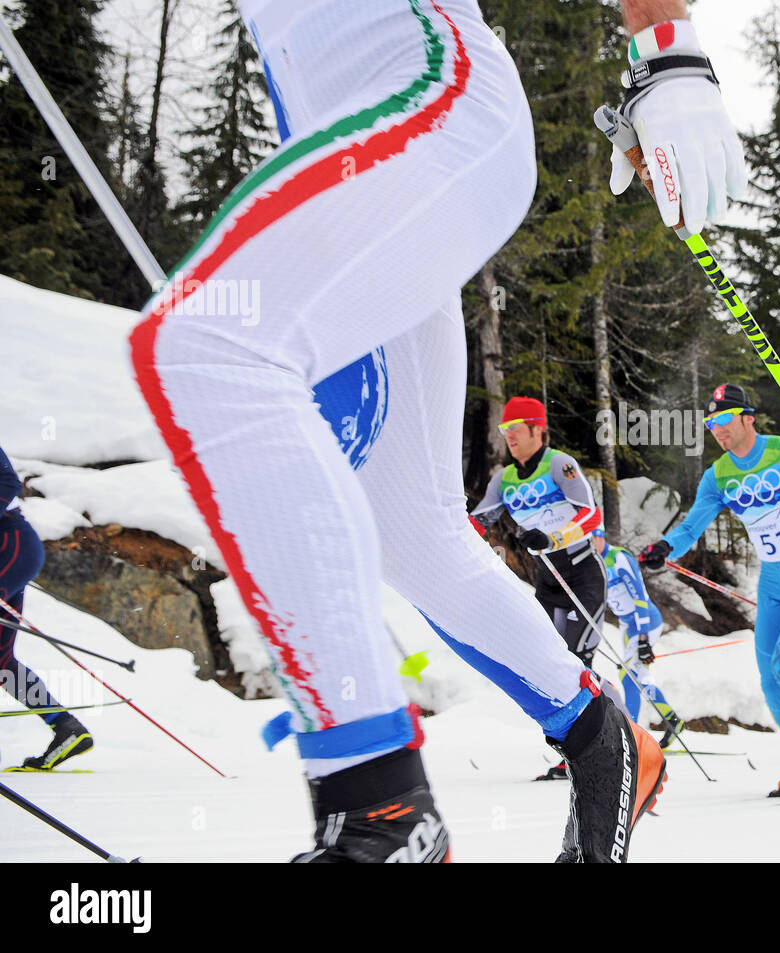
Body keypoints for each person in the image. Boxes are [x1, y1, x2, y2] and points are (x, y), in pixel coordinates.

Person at [129, 0, 743, 862]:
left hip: (433, 103)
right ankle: (603, 742)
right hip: (349, 164)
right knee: (412, 536)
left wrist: (667, 51)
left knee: (205, 346)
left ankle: (379, 807)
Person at [639, 383, 780, 796]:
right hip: (773, 579)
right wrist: (666, 548)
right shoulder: (718, 474)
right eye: (710, 424)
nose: (718, 430)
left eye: (724, 420)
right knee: (771, 681)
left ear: (747, 418)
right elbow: (691, 526)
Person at [471, 397, 608, 781]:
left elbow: (591, 513)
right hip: (548, 582)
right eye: (504, 430)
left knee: (579, 658)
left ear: (537, 429)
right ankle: (580, 742)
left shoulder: (559, 465)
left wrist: (552, 537)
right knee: (548, 661)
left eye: (516, 429)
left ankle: (599, 744)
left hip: (582, 575)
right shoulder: (505, 479)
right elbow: (480, 520)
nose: (509, 437)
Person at [0, 444, 93, 770]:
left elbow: (7, 482)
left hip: (10, 545)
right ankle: (66, 728)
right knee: (1, 662)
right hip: (13, 552)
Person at [591, 527, 684, 746]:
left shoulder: (619, 559)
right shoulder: (594, 561)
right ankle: (671, 719)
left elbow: (640, 598)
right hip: (627, 625)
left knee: (629, 676)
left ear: (599, 537)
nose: (588, 547)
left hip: (646, 622)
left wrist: (643, 639)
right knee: (638, 676)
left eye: (590, 540)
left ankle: (630, 733)